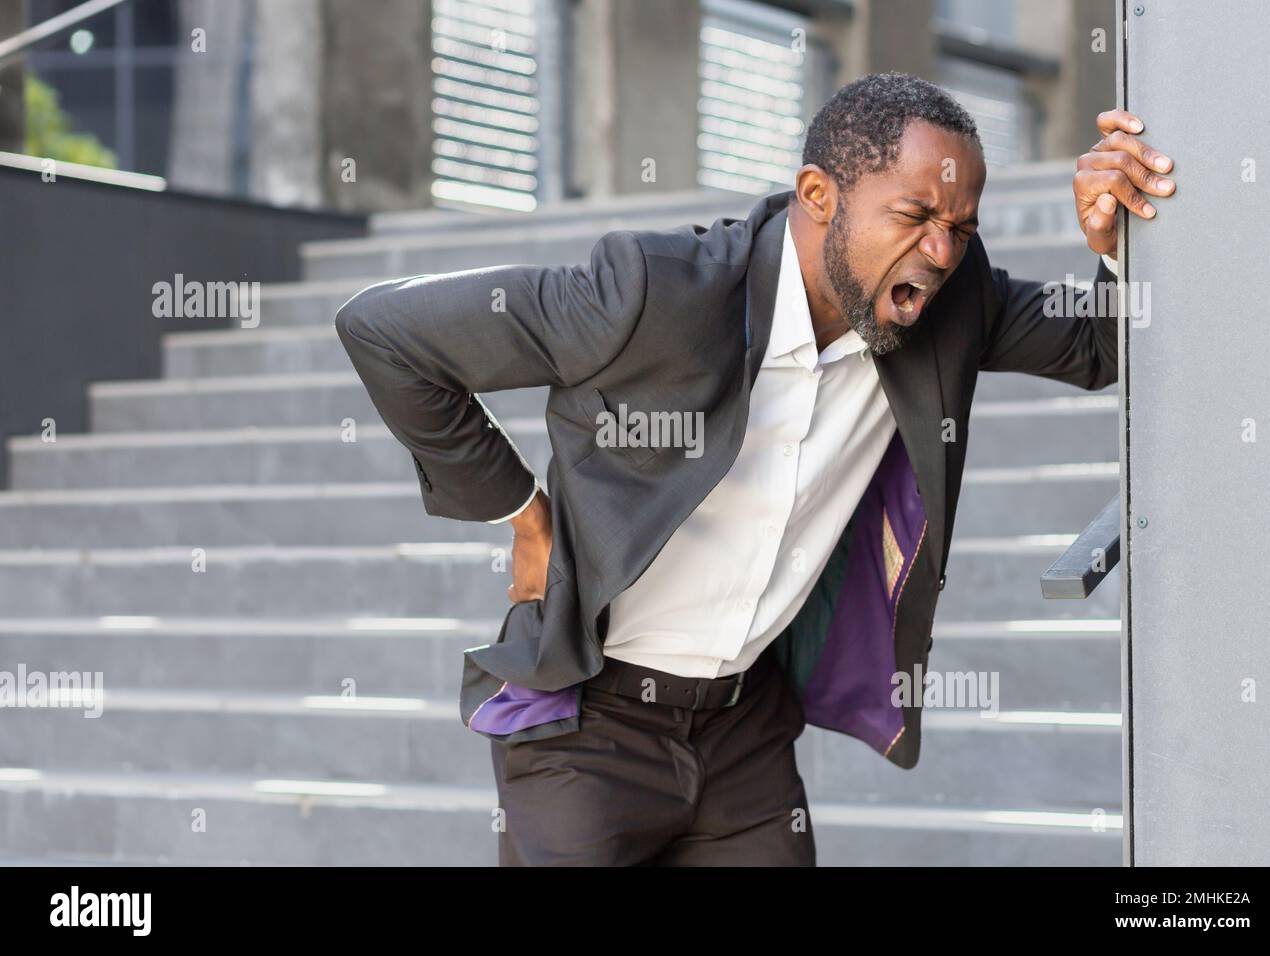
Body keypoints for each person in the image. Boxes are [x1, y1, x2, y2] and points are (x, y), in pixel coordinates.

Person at [336, 72, 1174, 866]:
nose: (943, 250)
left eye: (961, 227)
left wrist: (1114, 242)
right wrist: (521, 512)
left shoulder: (949, 303)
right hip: (587, 728)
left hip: (747, 737)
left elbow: (1102, 344)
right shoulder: (649, 291)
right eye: (916, 215)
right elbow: (387, 330)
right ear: (819, 196)